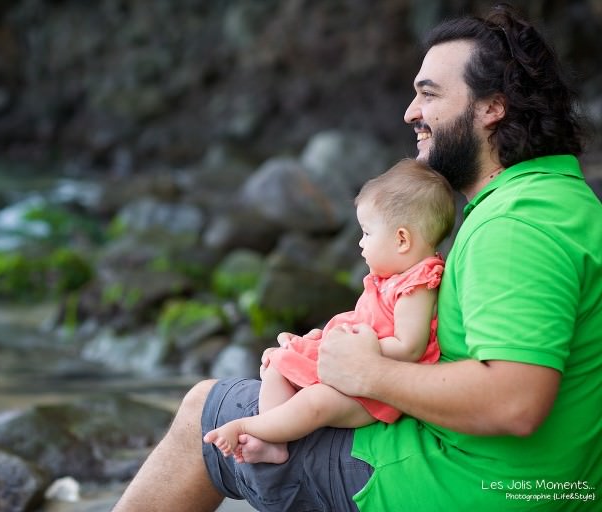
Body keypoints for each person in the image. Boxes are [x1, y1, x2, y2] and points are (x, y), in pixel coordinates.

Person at [113, 4, 601, 511]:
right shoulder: (565, 199)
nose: (411, 111)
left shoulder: (516, 225)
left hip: (473, 488)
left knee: (204, 412)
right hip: (547, 484)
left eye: (428, 93)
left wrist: (367, 372)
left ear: (492, 108)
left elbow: (514, 401)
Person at [203, 159, 455, 464]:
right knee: (277, 363)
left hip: (376, 392)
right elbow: (366, 323)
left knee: (316, 401)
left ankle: (249, 427)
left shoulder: (417, 284)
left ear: (401, 239)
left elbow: (410, 346)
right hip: (355, 368)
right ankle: (272, 441)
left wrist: (354, 349)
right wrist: (318, 343)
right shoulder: (389, 279)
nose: (360, 244)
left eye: (366, 233)